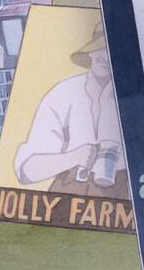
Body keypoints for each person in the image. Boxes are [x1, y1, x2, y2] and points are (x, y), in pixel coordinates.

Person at [13, 23, 129, 200]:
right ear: (90, 51)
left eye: (113, 50)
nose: (106, 56)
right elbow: (27, 170)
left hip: (121, 194)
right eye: (100, 48)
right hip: (68, 193)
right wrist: (75, 157)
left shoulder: (133, 96)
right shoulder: (63, 94)